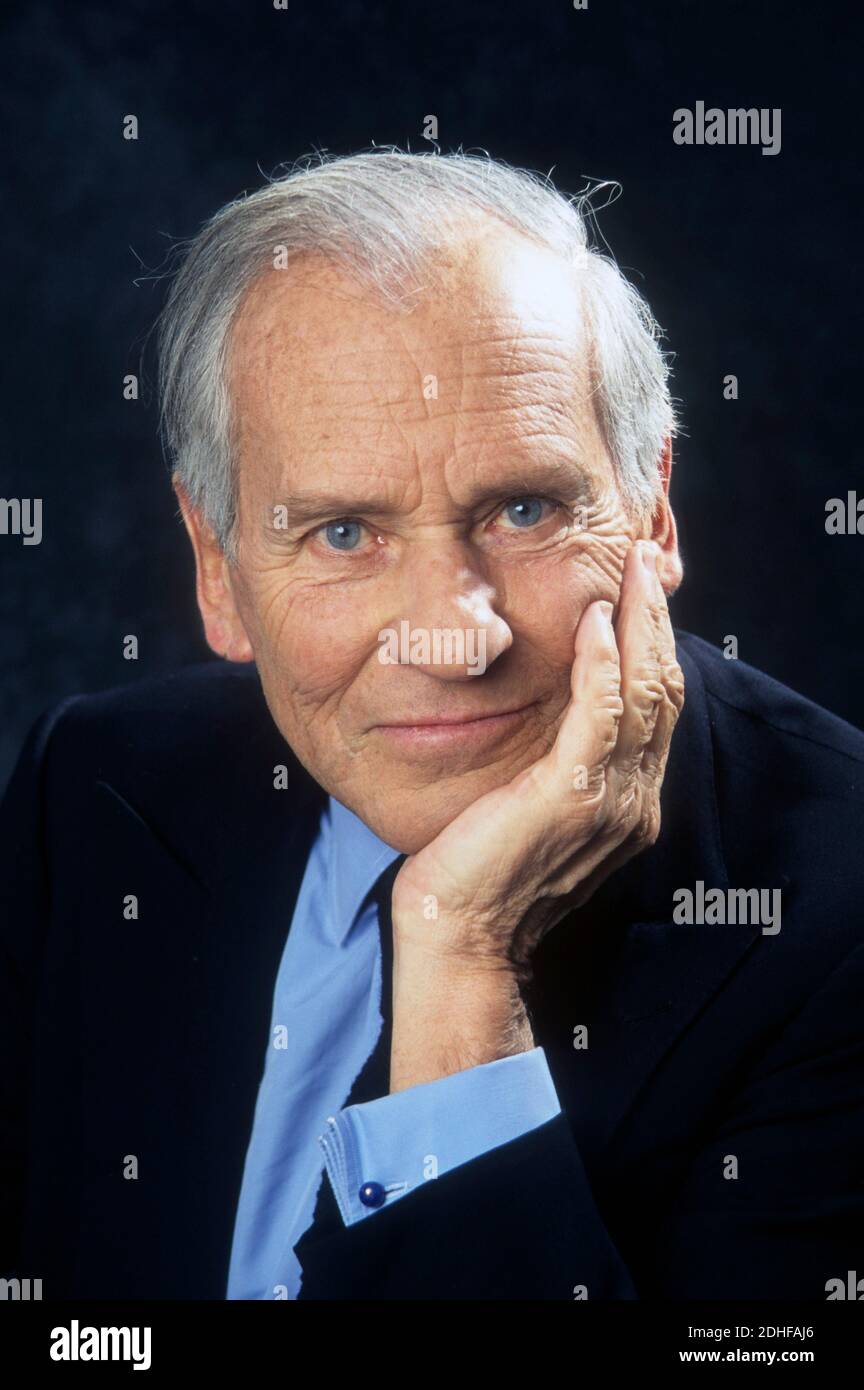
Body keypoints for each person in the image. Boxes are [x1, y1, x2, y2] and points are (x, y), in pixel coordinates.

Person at [2, 150, 862, 1300]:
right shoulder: (94, 786)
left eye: (522, 508)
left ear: (651, 508)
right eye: (345, 533)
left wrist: (460, 958)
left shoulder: (843, 919)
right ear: (218, 569)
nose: (453, 637)